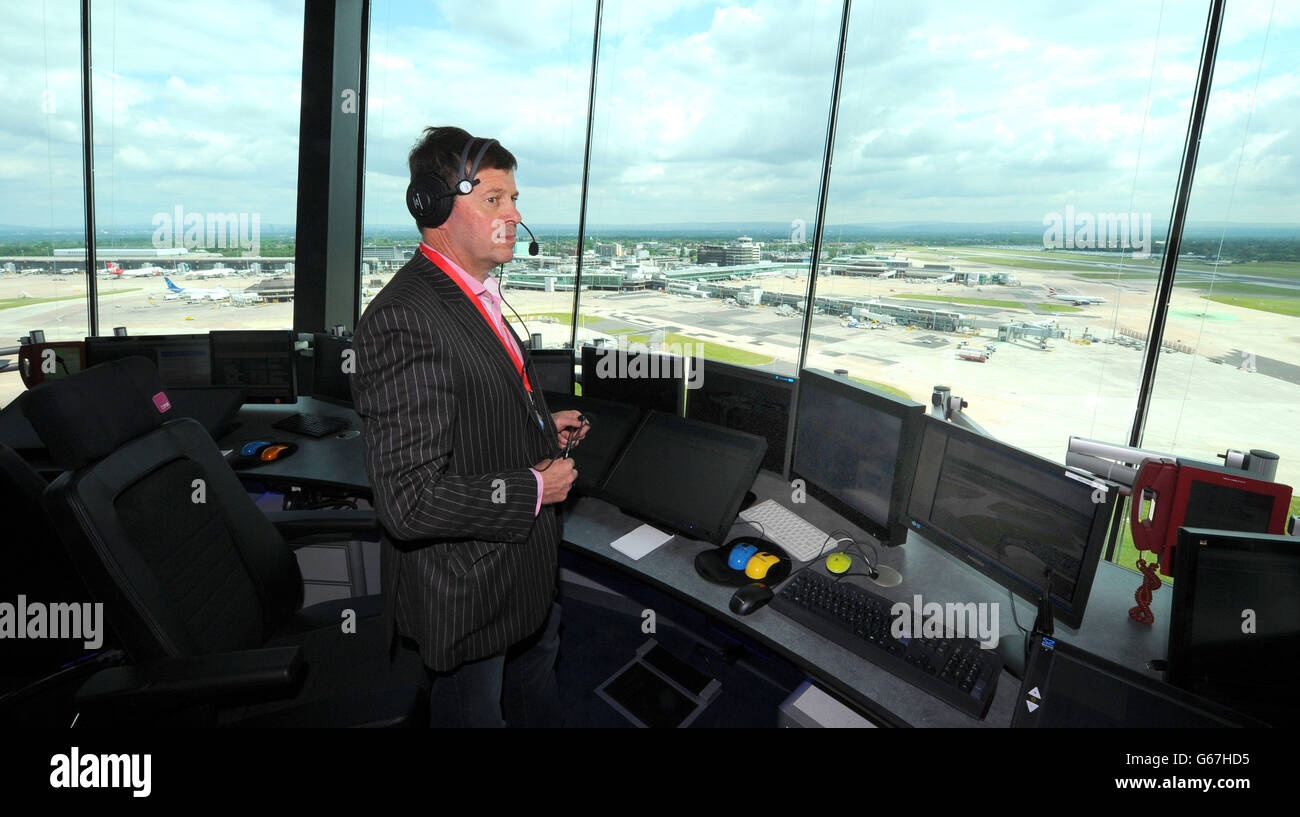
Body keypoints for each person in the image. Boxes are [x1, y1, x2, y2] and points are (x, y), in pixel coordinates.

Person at [351, 126, 585, 727]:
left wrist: (537, 427)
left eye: (514, 198)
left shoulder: (473, 294)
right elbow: (409, 501)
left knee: (536, 693)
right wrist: (536, 487)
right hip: (468, 594)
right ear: (434, 207)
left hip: (522, 575)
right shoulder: (406, 319)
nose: (514, 213)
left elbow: (469, 408)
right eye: (494, 199)